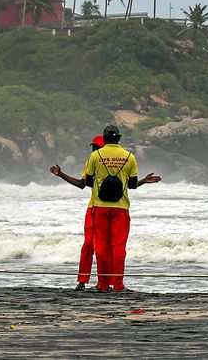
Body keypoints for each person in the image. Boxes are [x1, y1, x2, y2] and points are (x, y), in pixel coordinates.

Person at [82, 125, 161, 292]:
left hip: (100, 207)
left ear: (105, 139)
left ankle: (102, 285)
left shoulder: (95, 156)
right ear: (118, 138)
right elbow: (132, 185)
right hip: (121, 208)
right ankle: (118, 285)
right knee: (118, 247)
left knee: (101, 248)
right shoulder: (129, 157)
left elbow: (88, 182)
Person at [49, 135, 106, 290]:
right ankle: (82, 281)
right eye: (94, 147)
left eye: (98, 147)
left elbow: (128, 184)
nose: (95, 149)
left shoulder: (114, 161)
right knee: (88, 245)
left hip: (110, 210)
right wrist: (61, 175)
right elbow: (82, 184)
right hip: (94, 208)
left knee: (105, 248)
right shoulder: (92, 161)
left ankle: (105, 282)